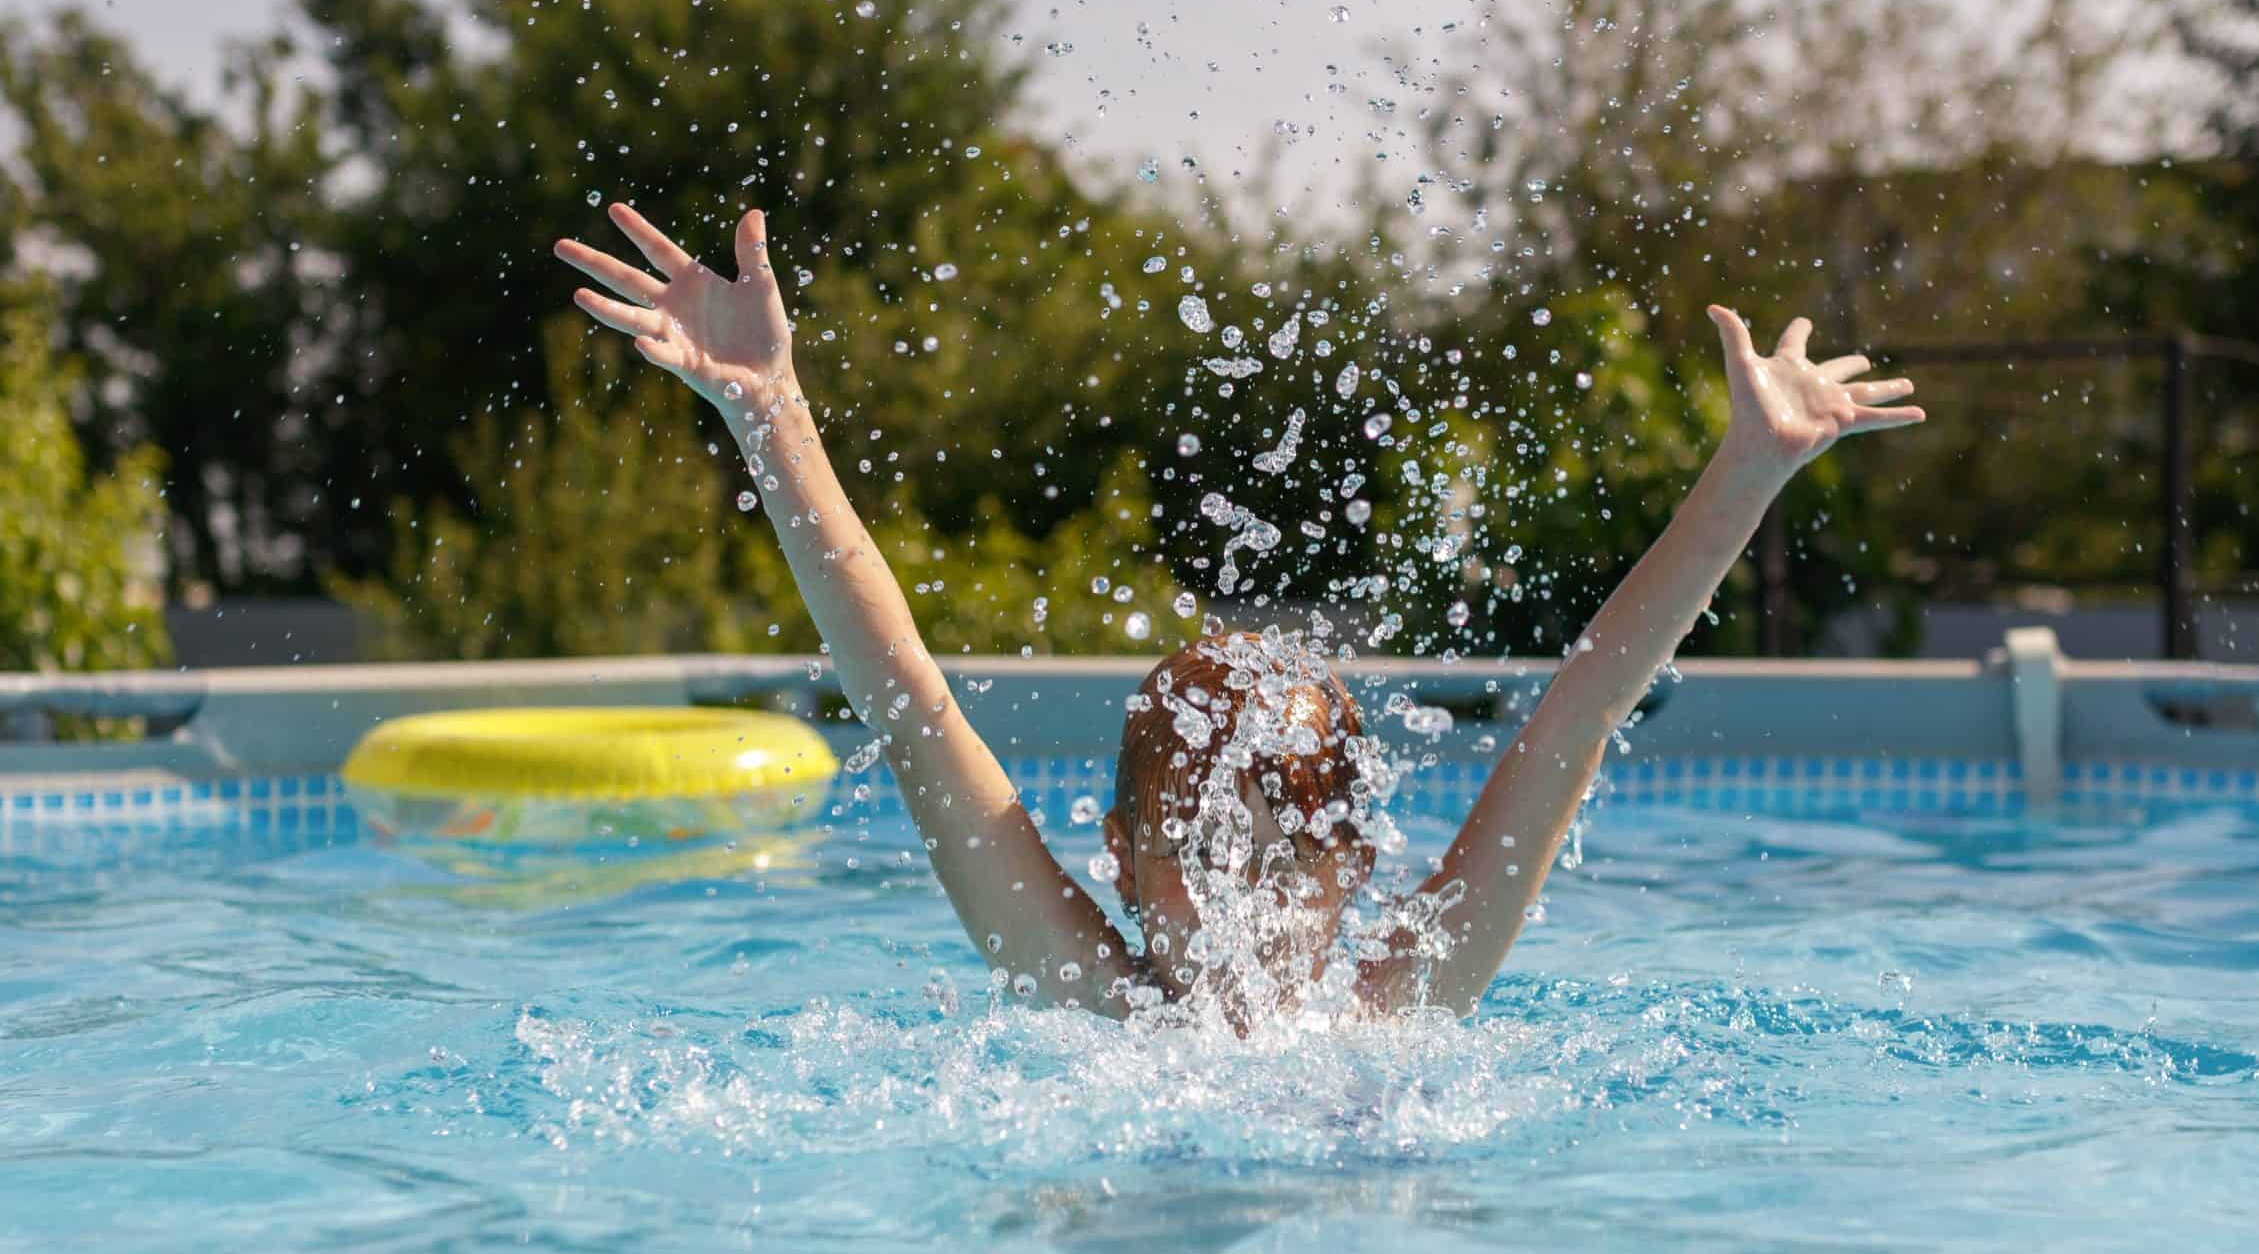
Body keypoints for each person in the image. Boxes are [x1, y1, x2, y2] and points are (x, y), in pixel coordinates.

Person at [554, 203, 1924, 1028]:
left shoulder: (1400, 1008)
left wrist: (1749, 469)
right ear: (1120, 852)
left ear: (1353, 862)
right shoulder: (1088, 997)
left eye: (1286, 855)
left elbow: (1580, 713)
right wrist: (774, 418)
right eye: (1201, 853)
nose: (1245, 899)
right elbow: (909, 699)